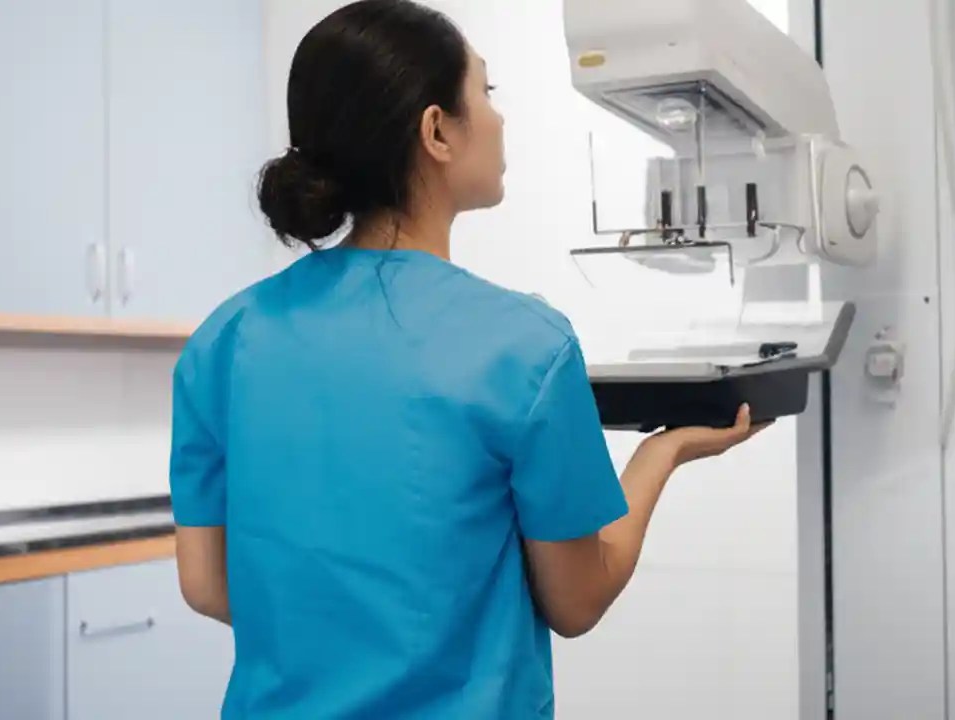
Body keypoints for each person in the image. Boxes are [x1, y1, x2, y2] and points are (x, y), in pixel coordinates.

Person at [169, 1, 769, 717]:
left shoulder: (222, 341)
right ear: (436, 132)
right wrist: (659, 457)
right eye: (486, 93)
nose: (499, 117)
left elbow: (207, 586)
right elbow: (577, 600)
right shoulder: (525, 347)